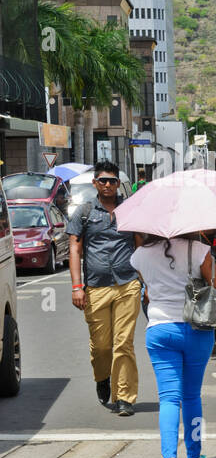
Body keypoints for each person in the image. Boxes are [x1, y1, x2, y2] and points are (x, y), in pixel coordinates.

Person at [131, 234, 216, 458]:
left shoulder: (141, 255)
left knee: (168, 398)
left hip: (160, 331)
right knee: (192, 395)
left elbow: (148, 290)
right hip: (196, 329)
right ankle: (194, 454)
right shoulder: (199, 250)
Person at [67, 161, 141, 416]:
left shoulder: (130, 211)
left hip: (128, 283)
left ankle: (125, 398)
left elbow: (141, 247)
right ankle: (102, 378)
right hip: (96, 288)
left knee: (124, 343)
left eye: (112, 181)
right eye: (103, 181)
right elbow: (75, 250)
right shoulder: (84, 212)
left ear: (118, 183)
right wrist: (77, 287)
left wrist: (146, 282)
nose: (108, 185)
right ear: (95, 183)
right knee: (101, 346)